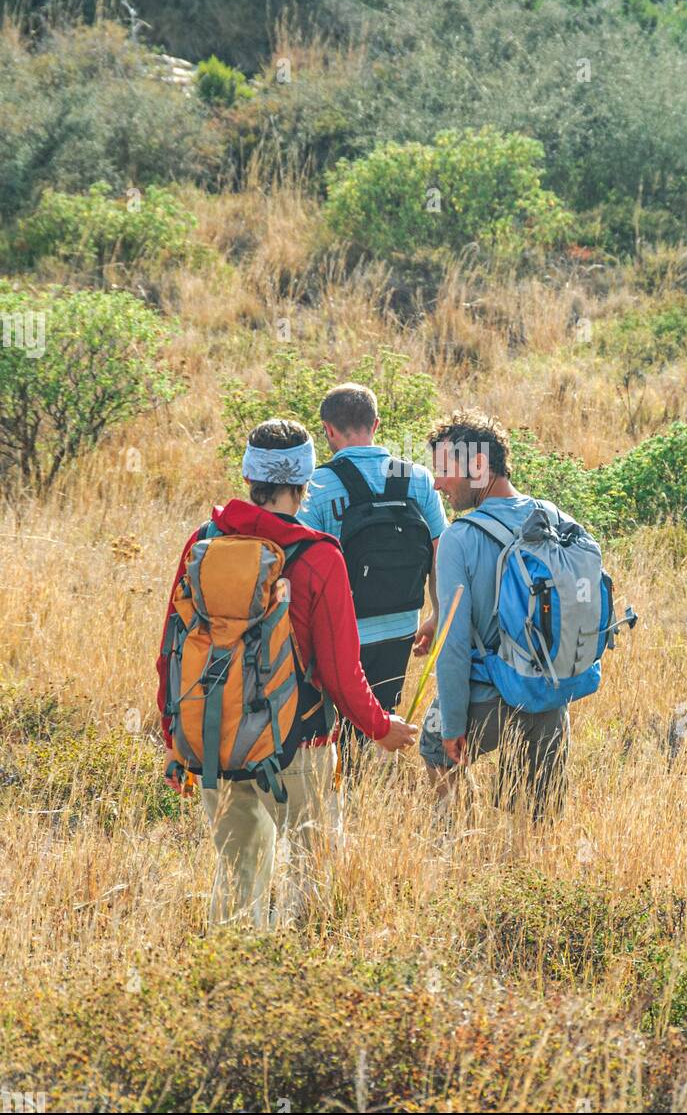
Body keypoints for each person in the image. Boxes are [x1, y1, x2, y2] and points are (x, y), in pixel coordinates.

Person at [156, 417, 416, 928]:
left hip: (217, 740)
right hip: (300, 745)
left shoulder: (202, 542)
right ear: (306, 480)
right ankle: (300, 986)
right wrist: (381, 729)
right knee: (316, 874)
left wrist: (175, 740)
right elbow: (342, 673)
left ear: (250, 475)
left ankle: (230, 985)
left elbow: (171, 650)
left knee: (237, 874)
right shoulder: (319, 556)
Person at [421, 409, 574, 819]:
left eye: (443, 470)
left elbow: (453, 646)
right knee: (535, 818)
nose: (437, 483)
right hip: (551, 692)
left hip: (491, 696)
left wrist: (453, 725)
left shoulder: (459, 537)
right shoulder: (555, 518)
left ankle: (457, 839)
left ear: (478, 465)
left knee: (435, 745)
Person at [296, 383, 447, 779]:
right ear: (375, 424)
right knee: (381, 715)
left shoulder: (315, 486)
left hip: (341, 633)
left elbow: (302, 565)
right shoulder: (416, 476)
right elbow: (441, 553)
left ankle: (347, 795)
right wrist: (435, 613)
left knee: (338, 727)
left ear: (328, 430)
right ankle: (373, 789)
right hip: (402, 626)